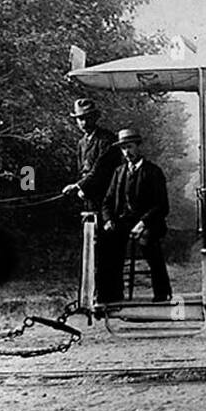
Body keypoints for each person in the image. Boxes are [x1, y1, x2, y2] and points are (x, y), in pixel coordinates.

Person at [101, 128, 172, 302]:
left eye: (130, 147)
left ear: (138, 147)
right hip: (123, 222)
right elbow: (107, 201)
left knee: (147, 242)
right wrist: (108, 219)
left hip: (149, 223)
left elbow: (162, 206)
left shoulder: (153, 172)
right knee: (108, 244)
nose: (127, 152)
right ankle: (113, 295)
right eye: (123, 148)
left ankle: (162, 293)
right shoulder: (119, 172)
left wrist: (143, 223)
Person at [61, 98, 121, 304]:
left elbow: (101, 171)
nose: (83, 123)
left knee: (106, 250)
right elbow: (83, 171)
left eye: (87, 118)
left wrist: (79, 187)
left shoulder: (107, 141)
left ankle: (109, 297)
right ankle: (92, 295)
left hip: (108, 202)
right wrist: (80, 189)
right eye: (80, 119)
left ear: (95, 118)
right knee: (91, 248)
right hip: (89, 201)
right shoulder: (82, 143)